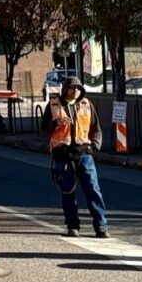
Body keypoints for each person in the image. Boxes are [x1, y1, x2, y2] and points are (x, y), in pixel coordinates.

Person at [42, 77, 107, 238]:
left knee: (93, 190)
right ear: (65, 90)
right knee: (67, 191)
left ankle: (101, 226)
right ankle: (72, 225)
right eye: (72, 88)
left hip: (83, 153)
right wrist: (56, 123)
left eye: (78, 88)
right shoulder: (53, 105)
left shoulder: (87, 104)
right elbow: (43, 129)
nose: (75, 91)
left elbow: (96, 129)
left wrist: (94, 146)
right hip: (62, 154)